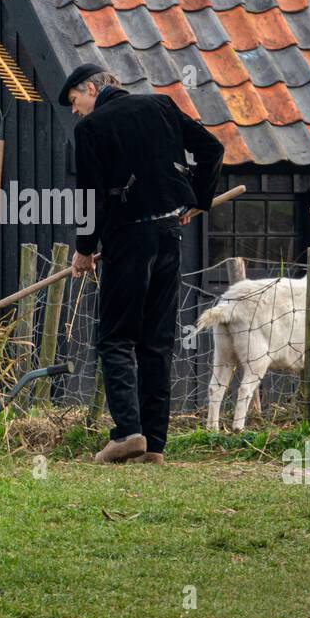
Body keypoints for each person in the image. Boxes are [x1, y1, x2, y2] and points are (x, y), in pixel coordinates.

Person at [60, 64, 223, 464]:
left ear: (92, 89)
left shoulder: (91, 129)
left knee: (115, 338)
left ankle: (127, 433)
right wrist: (195, 200)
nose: (76, 112)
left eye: (75, 102)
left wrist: (84, 248)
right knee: (156, 341)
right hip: (169, 235)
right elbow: (212, 149)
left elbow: (90, 195)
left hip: (128, 239)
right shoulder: (162, 106)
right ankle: (154, 444)